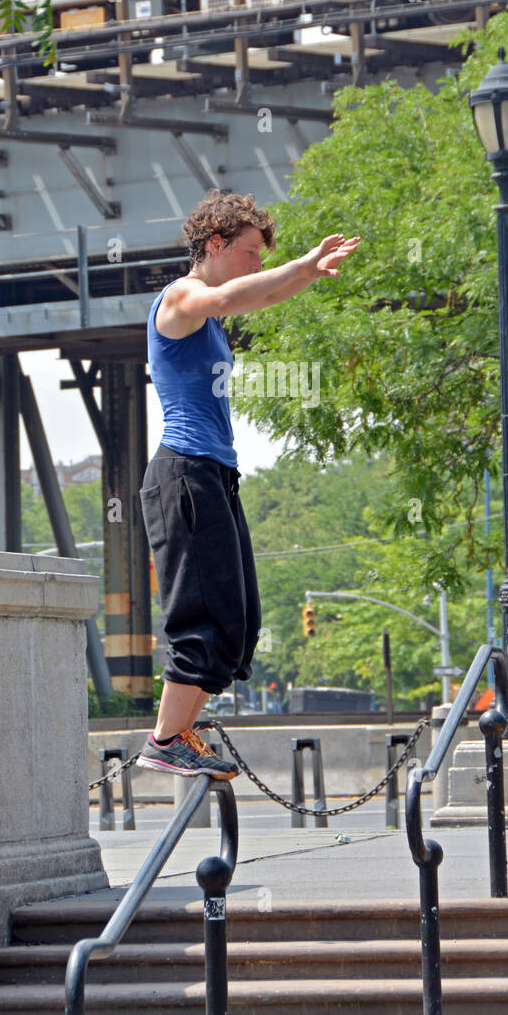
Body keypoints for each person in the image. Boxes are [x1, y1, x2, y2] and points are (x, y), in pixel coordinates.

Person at [137, 187, 360, 779]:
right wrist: (300, 262)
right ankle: (166, 738)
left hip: (213, 475)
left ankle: (182, 728)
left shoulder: (213, 307)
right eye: (253, 251)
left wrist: (307, 271)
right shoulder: (183, 296)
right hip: (183, 473)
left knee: (240, 623)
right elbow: (236, 293)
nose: (260, 262)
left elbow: (262, 293)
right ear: (215, 245)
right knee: (203, 615)